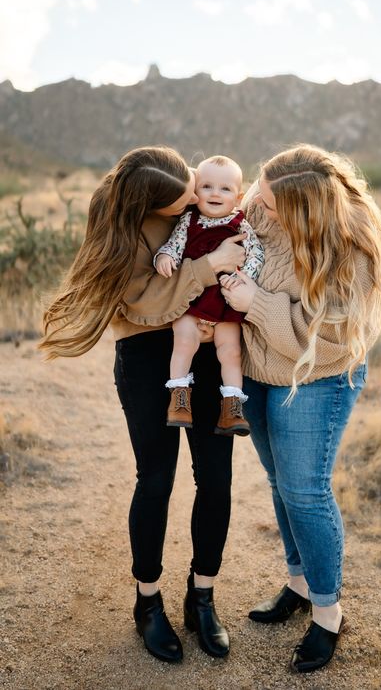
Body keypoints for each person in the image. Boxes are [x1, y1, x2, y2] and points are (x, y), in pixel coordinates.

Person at [39, 146, 248, 663]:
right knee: (155, 478)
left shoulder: (195, 192)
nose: (193, 203)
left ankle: (202, 595)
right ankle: (147, 601)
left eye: (194, 192)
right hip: (144, 355)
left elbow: (240, 209)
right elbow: (142, 302)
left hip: (203, 352)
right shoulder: (119, 227)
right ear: (150, 201)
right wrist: (206, 269)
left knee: (216, 478)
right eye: (181, 202)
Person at [221, 144, 381, 673]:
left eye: (270, 205)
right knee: (280, 484)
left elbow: (337, 338)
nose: (257, 206)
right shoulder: (260, 200)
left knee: (305, 489)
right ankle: (297, 583)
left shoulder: (352, 244)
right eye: (260, 192)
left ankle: (327, 612)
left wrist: (257, 304)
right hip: (260, 371)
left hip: (317, 378)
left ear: (306, 211)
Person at [154, 155, 264, 435]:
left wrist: (241, 279)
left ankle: (232, 406)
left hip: (226, 301)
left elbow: (256, 254)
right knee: (184, 342)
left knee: (231, 352)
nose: (215, 193)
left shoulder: (241, 225)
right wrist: (164, 257)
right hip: (191, 301)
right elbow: (173, 246)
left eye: (225, 189)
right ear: (195, 193)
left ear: (237, 197)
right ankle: (179, 399)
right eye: (207, 187)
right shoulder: (188, 221)